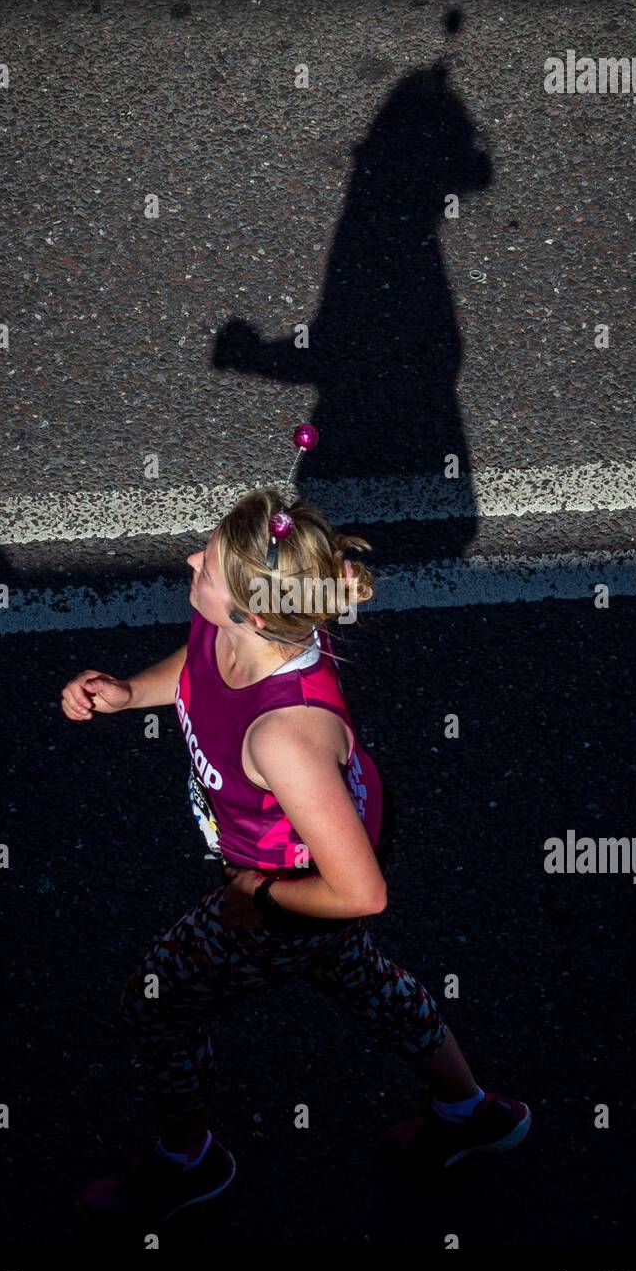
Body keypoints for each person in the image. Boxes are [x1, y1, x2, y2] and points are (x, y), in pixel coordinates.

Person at [62, 488, 531, 1228]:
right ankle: (470, 1111)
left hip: (290, 886)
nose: (190, 560)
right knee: (353, 972)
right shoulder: (236, 626)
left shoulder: (286, 736)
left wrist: (262, 897)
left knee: (157, 1002)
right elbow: (199, 666)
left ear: (251, 610)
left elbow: (361, 893)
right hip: (301, 850)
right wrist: (127, 695)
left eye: (208, 564)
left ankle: (189, 1164)